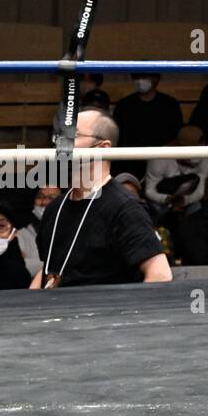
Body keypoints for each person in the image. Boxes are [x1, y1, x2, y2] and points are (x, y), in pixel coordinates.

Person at [31, 110, 171, 288]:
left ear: (102, 148)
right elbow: (49, 269)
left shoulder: (125, 207)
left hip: (102, 312)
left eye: (74, 134)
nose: (61, 141)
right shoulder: (55, 207)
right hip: (55, 310)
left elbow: (159, 275)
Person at [110, 73, 183, 178]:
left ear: (156, 79)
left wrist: (158, 155)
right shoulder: (124, 105)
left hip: (163, 160)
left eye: (145, 77)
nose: (140, 81)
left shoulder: (170, 104)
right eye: (137, 77)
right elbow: (117, 137)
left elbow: (178, 136)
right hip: (130, 161)